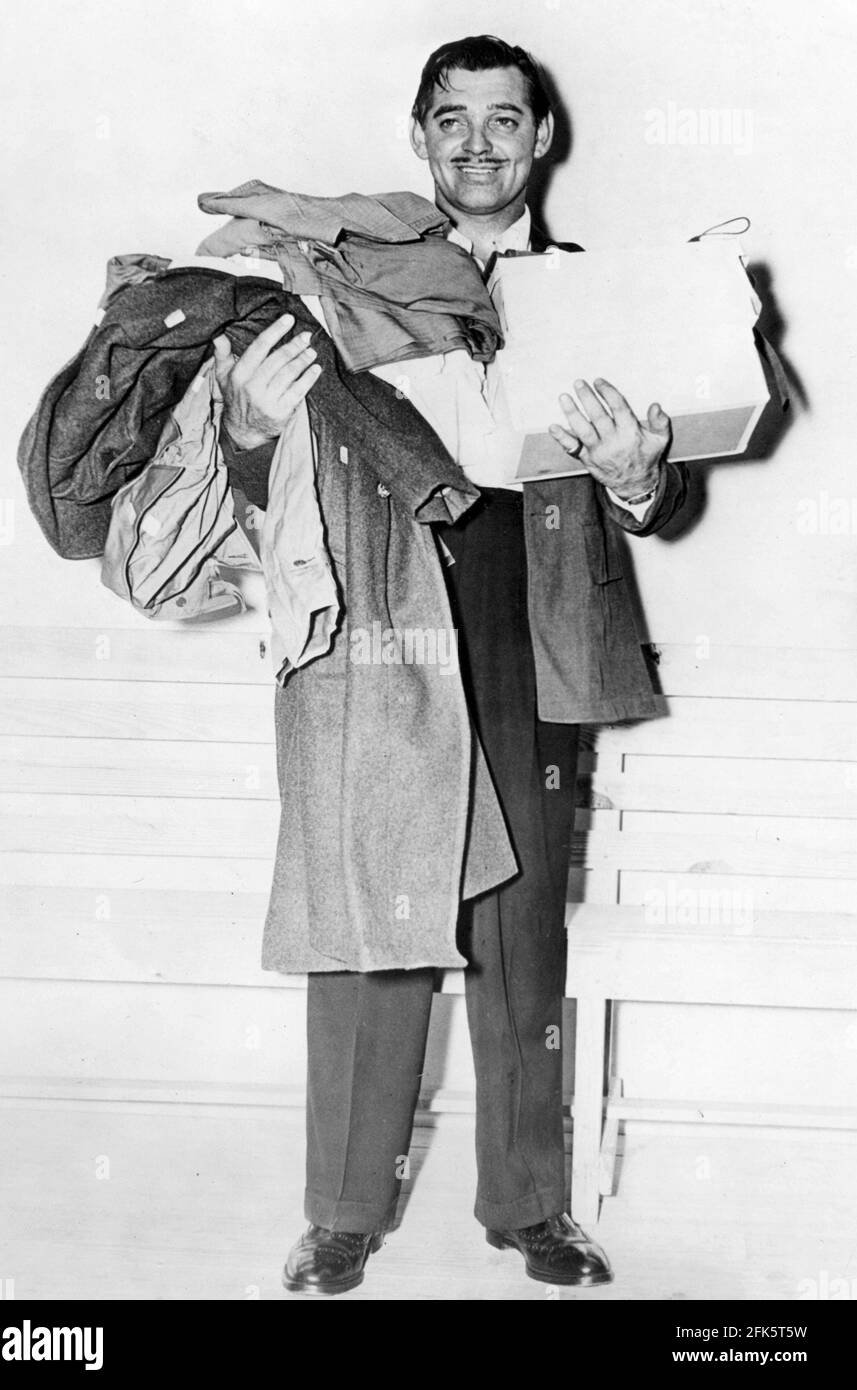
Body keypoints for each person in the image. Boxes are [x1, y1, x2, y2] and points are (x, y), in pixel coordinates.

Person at [215, 34, 688, 1296]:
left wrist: (642, 480)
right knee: (374, 927)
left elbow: (657, 477)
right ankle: (342, 1213)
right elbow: (264, 482)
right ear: (419, 139)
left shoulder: (608, 293)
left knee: (519, 934)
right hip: (384, 628)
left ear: (541, 140)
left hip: (533, 633)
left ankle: (530, 1207)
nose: (476, 142)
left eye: (502, 118)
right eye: (450, 120)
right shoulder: (340, 285)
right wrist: (251, 431)